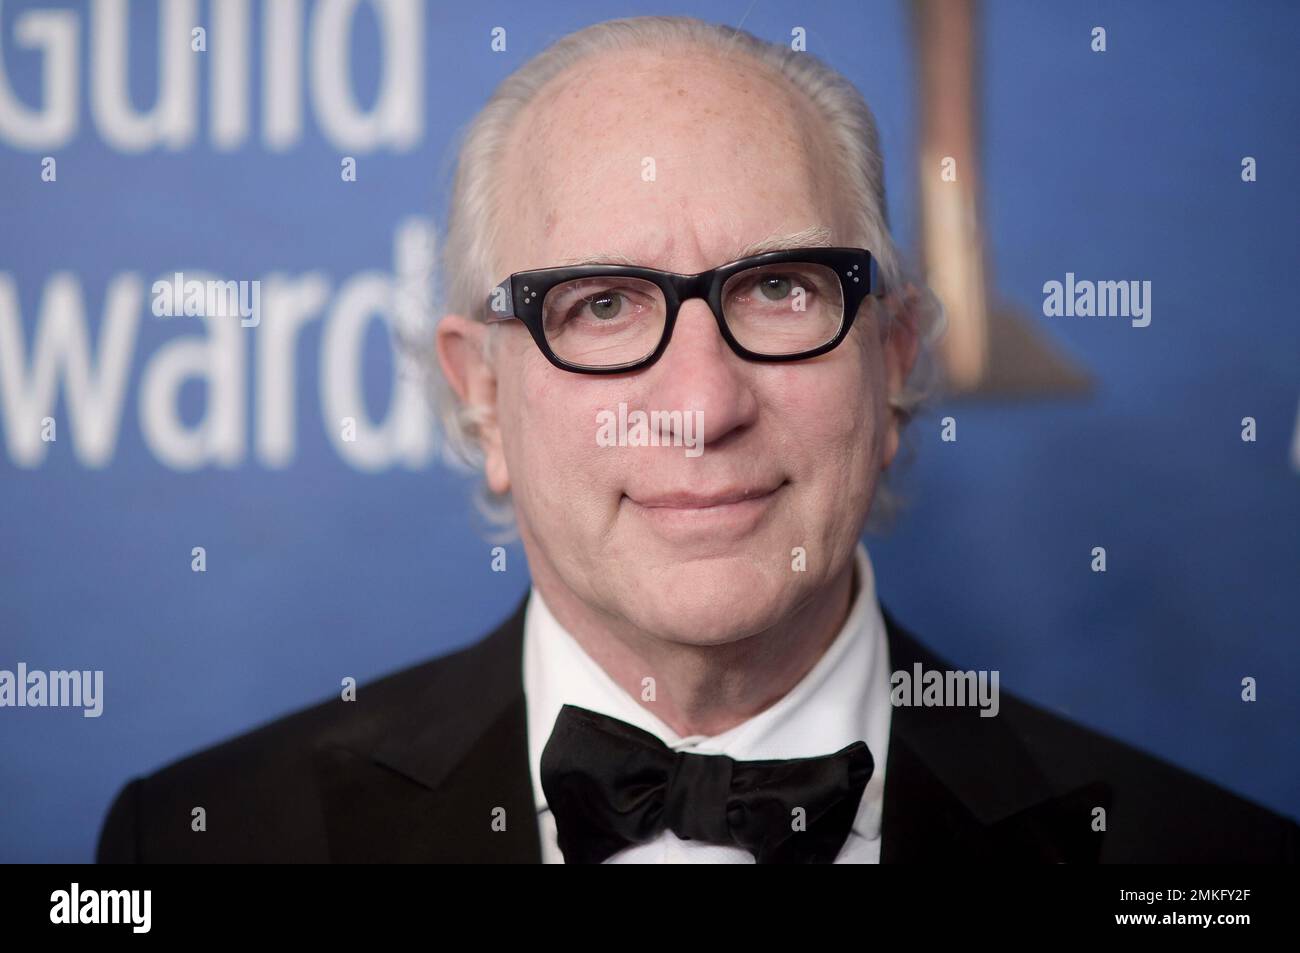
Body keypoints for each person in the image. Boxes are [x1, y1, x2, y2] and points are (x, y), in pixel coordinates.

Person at [96, 15, 1297, 864]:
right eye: (602, 305)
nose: (701, 404)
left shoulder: (1199, 862)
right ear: (481, 395)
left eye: (779, 289)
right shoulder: (205, 839)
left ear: (889, 360)